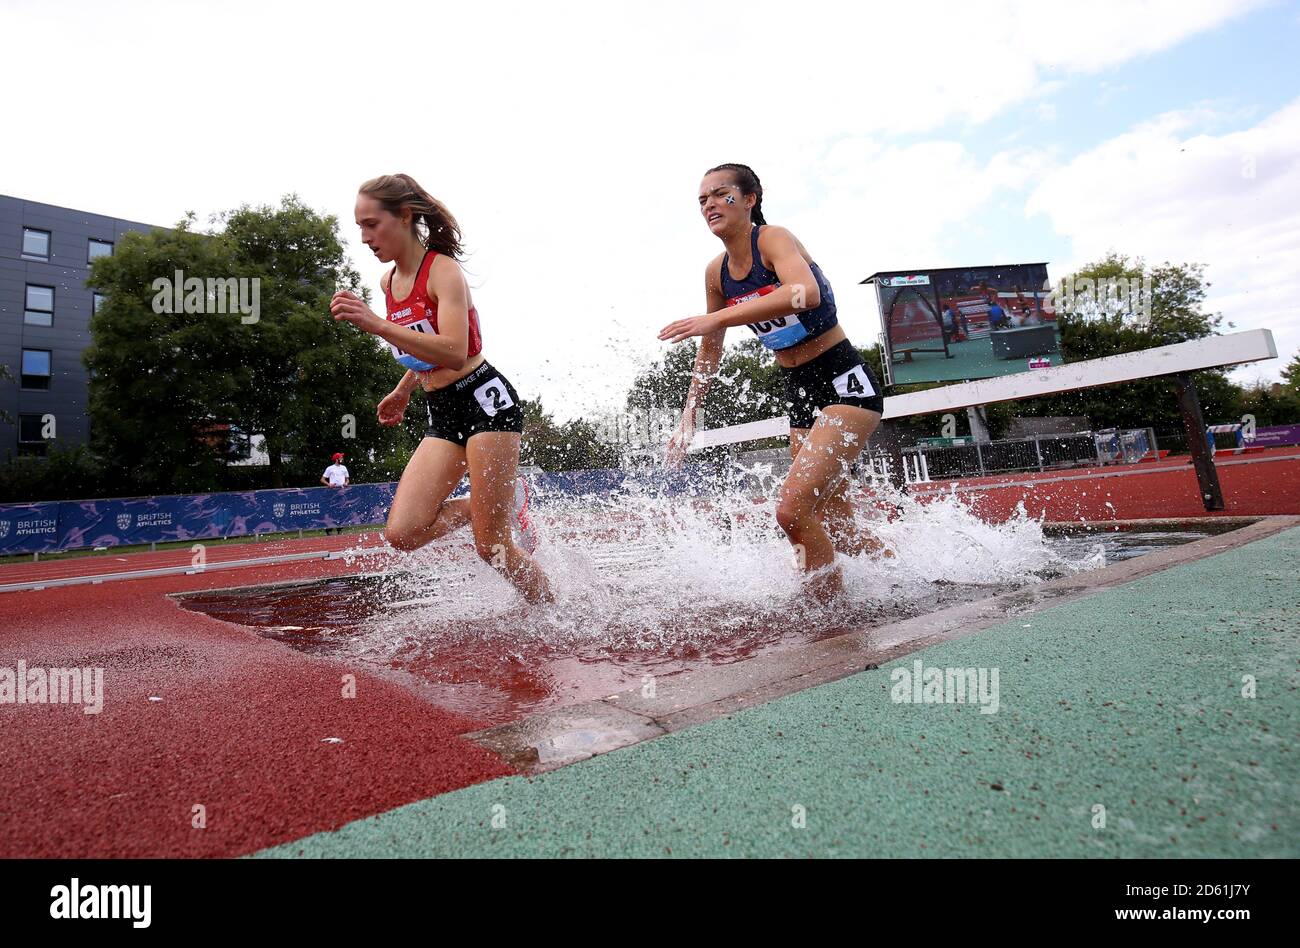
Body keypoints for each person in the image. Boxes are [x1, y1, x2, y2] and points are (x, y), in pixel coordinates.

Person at [660, 163, 890, 601]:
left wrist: (717, 316)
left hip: (843, 380)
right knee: (838, 528)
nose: (709, 203)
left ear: (749, 199)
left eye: (719, 193)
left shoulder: (772, 239)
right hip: (798, 389)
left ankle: (827, 612)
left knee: (791, 511)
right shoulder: (716, 272)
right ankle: (916, 576)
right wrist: (690, 413)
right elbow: (710, 348)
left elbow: (806, 293)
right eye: (701, 199)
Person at [330, 173, 550, 604]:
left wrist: (375, 324)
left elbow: (454, 349)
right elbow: (422, 343)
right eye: (359, 226)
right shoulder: (388, 283)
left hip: (485, 401)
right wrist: (405, 387)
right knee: (403, 532)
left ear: (405, 216)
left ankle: (550, 611)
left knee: (493, 548)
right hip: (441, 408)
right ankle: (490, 503)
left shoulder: (442, 271)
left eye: (371, 224)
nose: (364, 237)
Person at [320, 452, 349, 535]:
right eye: (340, 458)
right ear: (337, 459)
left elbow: (347, 479)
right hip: (333, 491)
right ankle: (329, 529)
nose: (342, 459)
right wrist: (329, 484)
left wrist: (346, 483)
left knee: (341, 510)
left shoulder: (344, 468)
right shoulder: (330, 468)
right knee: (332, 510)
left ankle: (339, 528)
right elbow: (322, 479)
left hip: (342, 491)